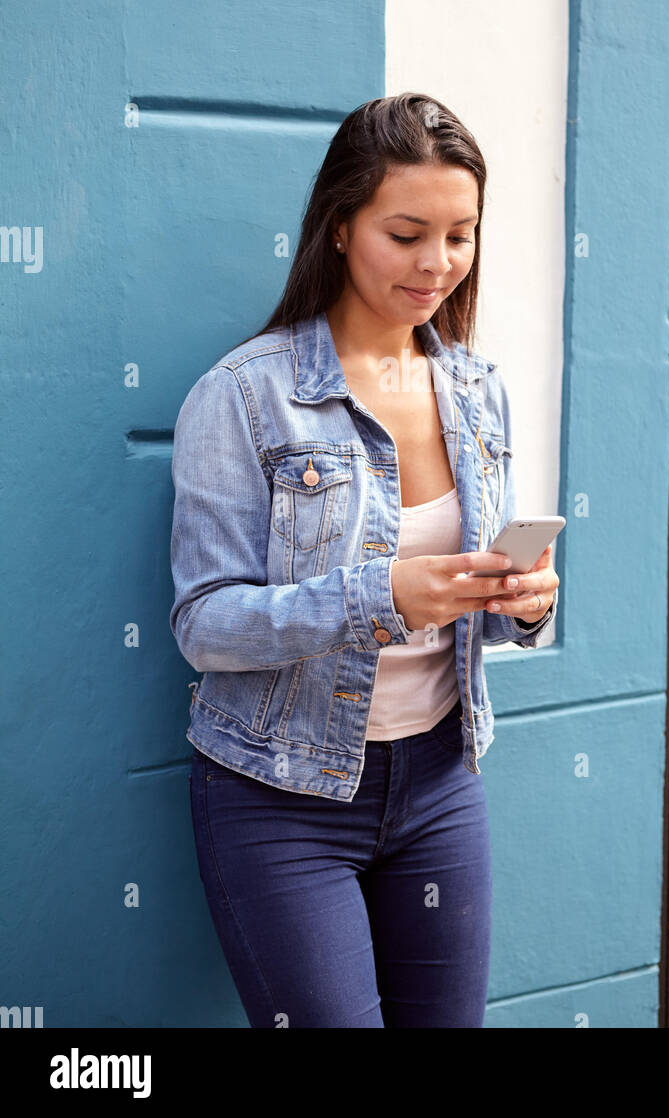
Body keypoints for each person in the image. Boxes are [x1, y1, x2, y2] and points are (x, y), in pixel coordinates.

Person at [169, 92, 560, 1028]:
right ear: (340, 228)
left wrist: (526, 604)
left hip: (439, 784)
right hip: (280, 797)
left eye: (461, 235)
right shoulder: (244, 397)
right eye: (407, 232)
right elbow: (203, 625)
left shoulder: (477, 387)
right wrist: (378, 597)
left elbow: (476, 601)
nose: (438, 264)